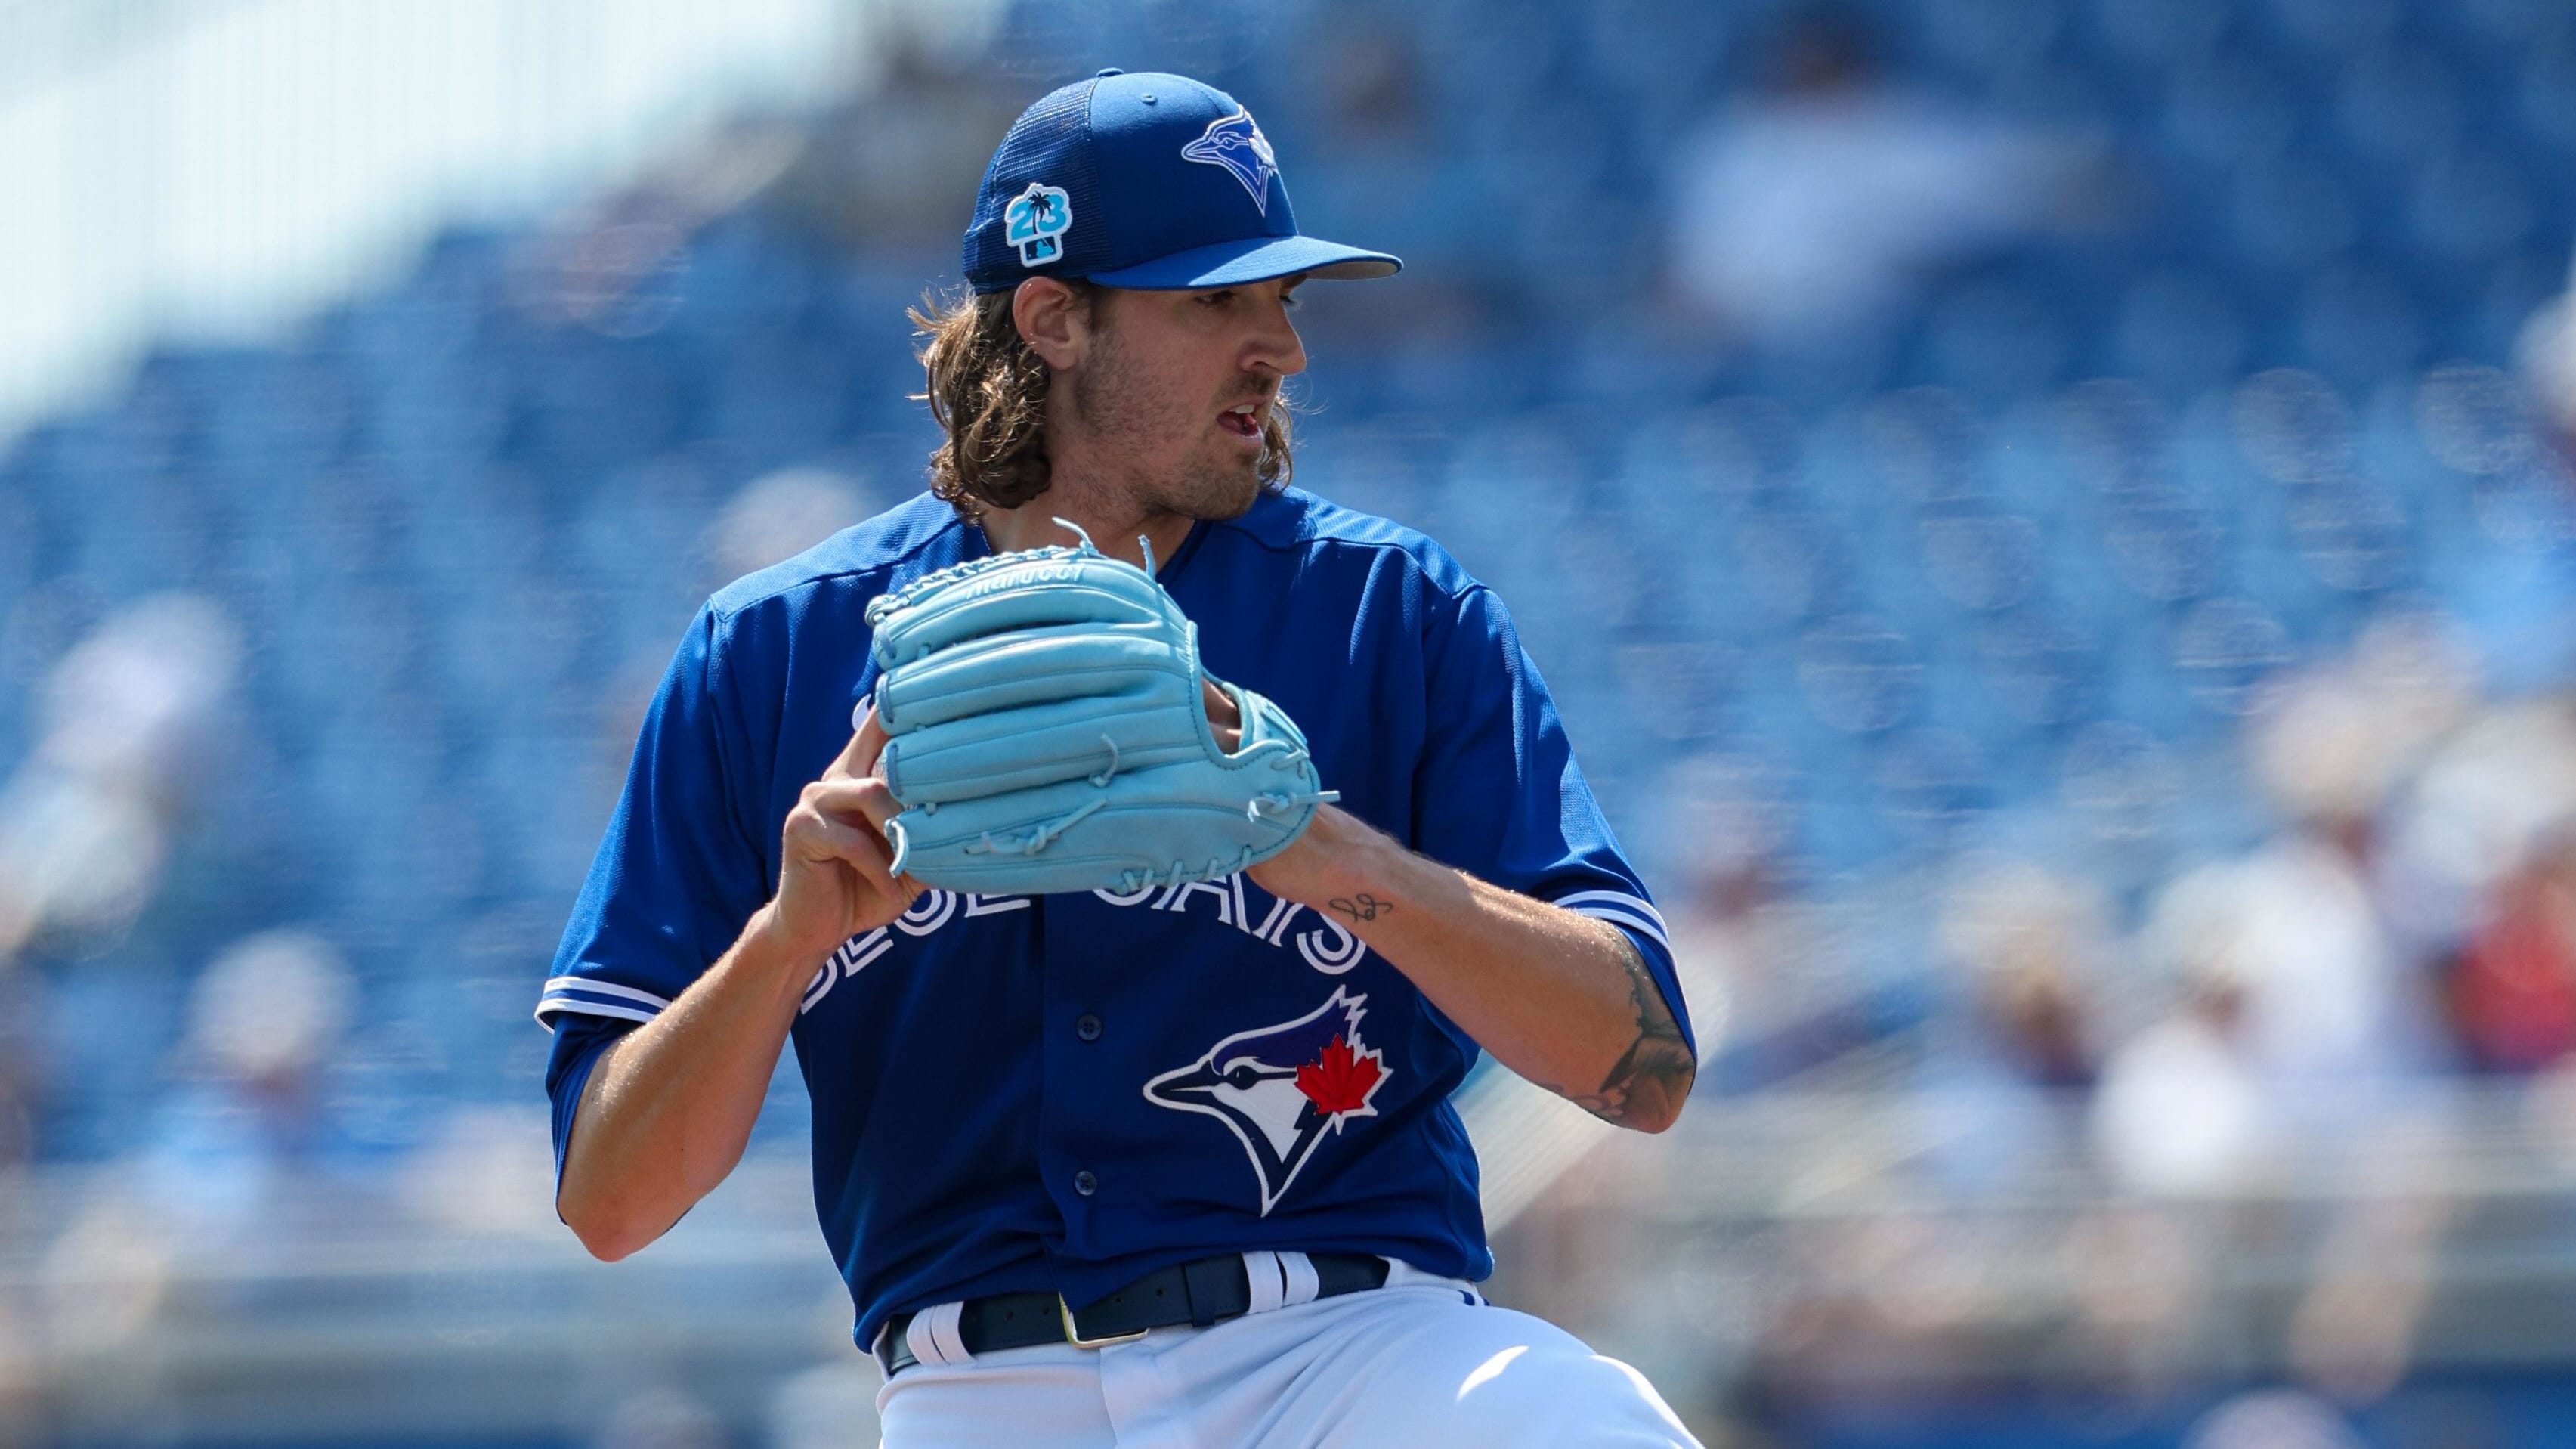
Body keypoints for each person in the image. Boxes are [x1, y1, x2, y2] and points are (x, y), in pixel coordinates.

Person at [537, 70, 1702, 1447]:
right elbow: (610, 1202)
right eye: (1214, 300)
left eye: (1284, 299)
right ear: (1053, 319)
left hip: (1350, 1357)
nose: (1279, 348)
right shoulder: (771, 655)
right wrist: (784, 942)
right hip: (978, 1388)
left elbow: (1642, 1068)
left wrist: (1320, 848)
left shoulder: (1390, 610)